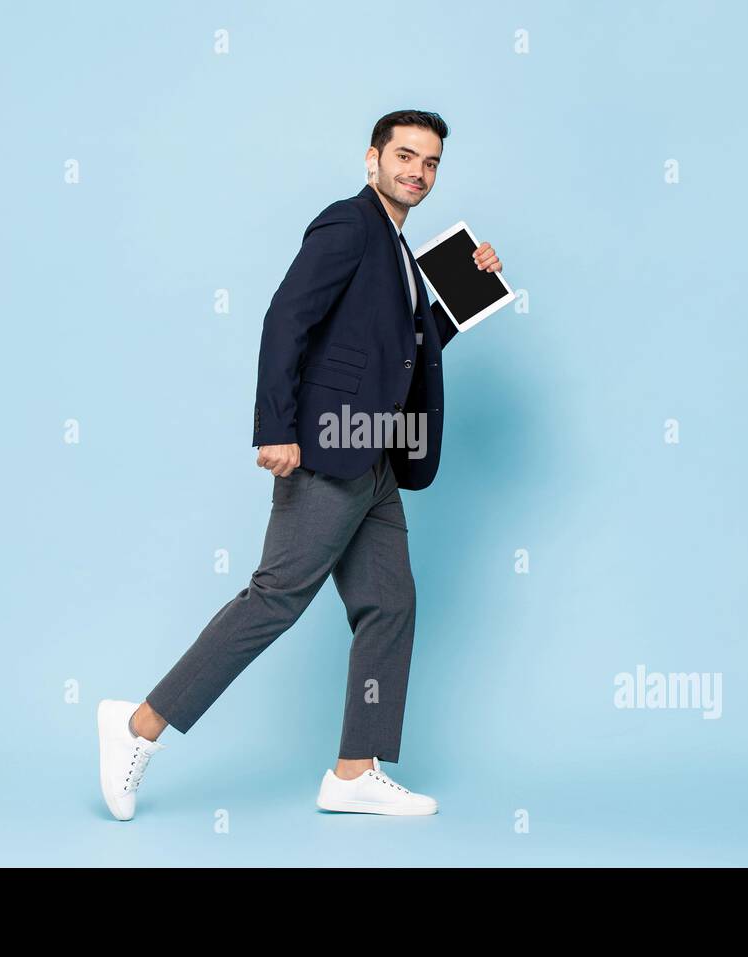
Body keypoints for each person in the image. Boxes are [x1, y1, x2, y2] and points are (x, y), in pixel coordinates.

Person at [97, 109, 504, 820]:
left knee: (391, 603)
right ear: (372, 158)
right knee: (276, 597)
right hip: (326, 447)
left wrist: (468, 293)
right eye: (405, 155)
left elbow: (407, 353)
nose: (417, 170)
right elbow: (285, 319)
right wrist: (277, 429)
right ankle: (138, 727)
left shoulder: (399, 251)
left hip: (375, 455)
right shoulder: (348, 226)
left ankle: (353, 770)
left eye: (431, 162)